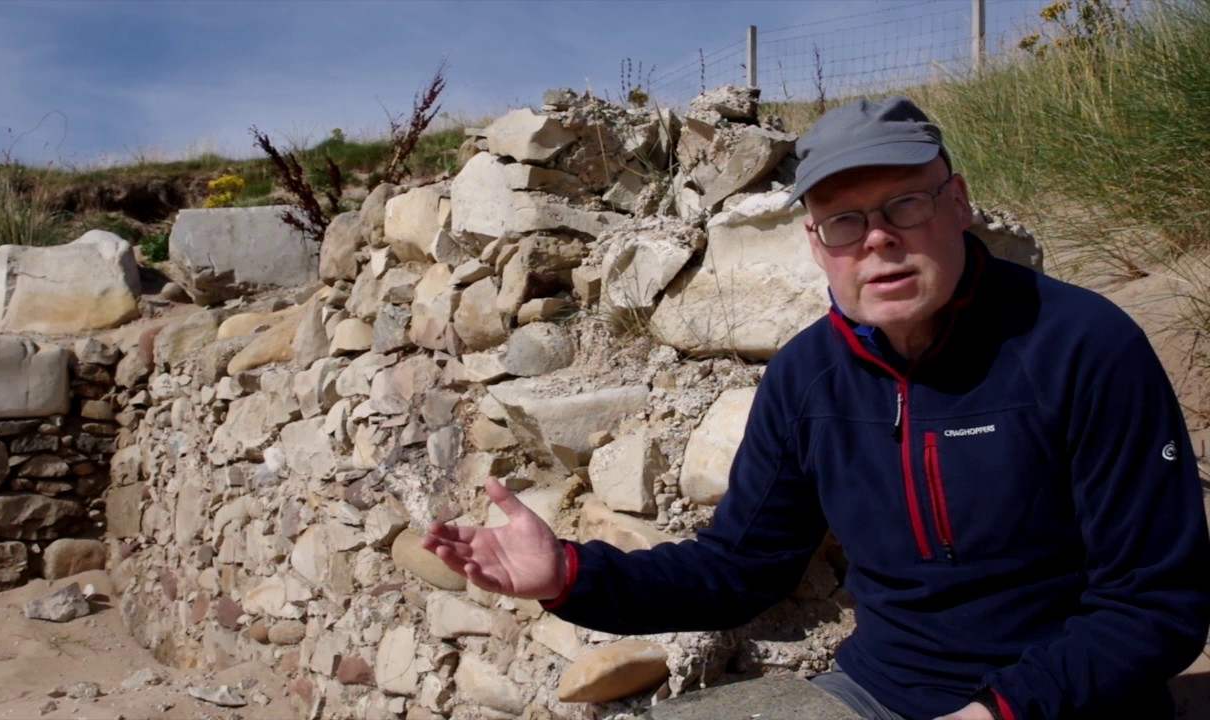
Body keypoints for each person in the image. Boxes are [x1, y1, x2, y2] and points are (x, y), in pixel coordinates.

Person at [424, 96, 1210, 720]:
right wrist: (569, 572)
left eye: (905, 204)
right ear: (814, 242)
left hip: (1060, 704)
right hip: (878, 694)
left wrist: (997, 711)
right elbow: (737, 569)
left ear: (959, 203)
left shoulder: (1081, 345)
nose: (878, 241)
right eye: (845, 221)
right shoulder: (808, 377)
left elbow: (1155, 607)